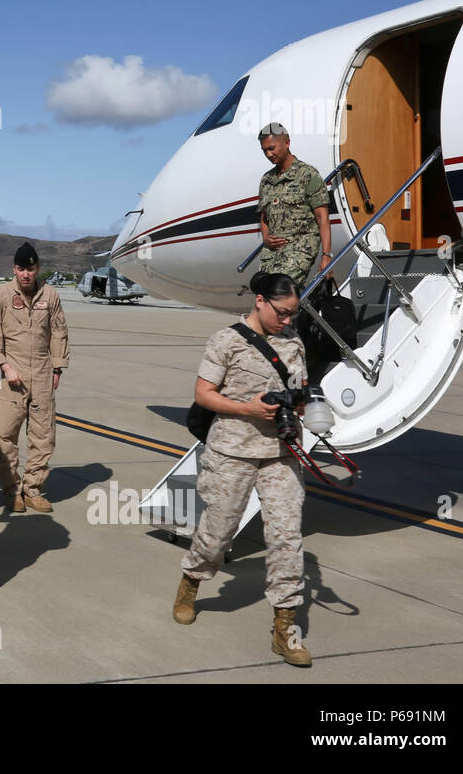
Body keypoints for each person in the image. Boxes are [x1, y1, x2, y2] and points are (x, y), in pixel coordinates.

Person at [173, 271, 313, 666]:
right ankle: (192, 579)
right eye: (282, 313)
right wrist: (248, 408)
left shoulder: (293, 342)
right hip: (232, 451)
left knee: (287, 537)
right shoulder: (226, 341)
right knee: (219, 532)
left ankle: (285, 628)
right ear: (261, 301)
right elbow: (203, 394)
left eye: (293, 314)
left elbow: (301, 389)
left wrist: (302, 405)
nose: (287, 320)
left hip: (280, 452)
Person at [0, 242, 69, 513]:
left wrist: (57, 366)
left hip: (43, 373)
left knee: (43, 436)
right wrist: (4, 366)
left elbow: (59, 332)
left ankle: (33, 489)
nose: (25, 274)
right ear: (14, 268)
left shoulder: (51, 295)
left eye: (30, 269)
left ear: (38, 269)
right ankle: (12, 490)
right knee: (5, 435)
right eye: (21, 269)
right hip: (12, 374)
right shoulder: (0, 295)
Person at [257, 122, 332, 285]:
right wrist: (265, 237)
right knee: (263, 294)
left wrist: (326, 256)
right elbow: (264, 218)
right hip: (272, 253)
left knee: (279, 293)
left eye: (271, 148)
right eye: (264, 151)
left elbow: (323, 219)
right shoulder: (266, 180)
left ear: (287, 143)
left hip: (300, 249)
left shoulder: (307, 174)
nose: (269, 154)